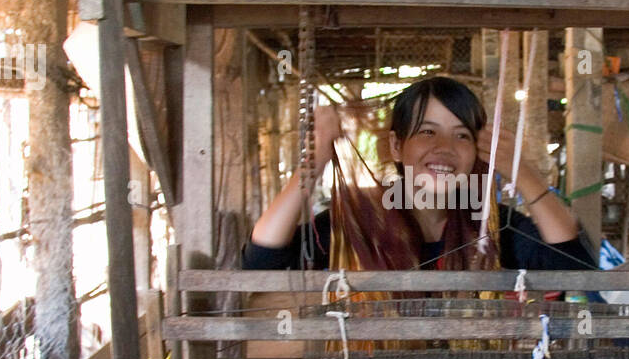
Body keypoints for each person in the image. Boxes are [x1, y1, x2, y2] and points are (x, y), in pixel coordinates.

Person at [243, 75, 596, 272]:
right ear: (397, 146)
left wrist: (523, 174)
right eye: (427, 131)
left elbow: (571, 263)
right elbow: (264, 258)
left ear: (478, 152)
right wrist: (314, 162)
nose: (444, 146)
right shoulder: (358, 224)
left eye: (461, 135)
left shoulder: (490, 225)